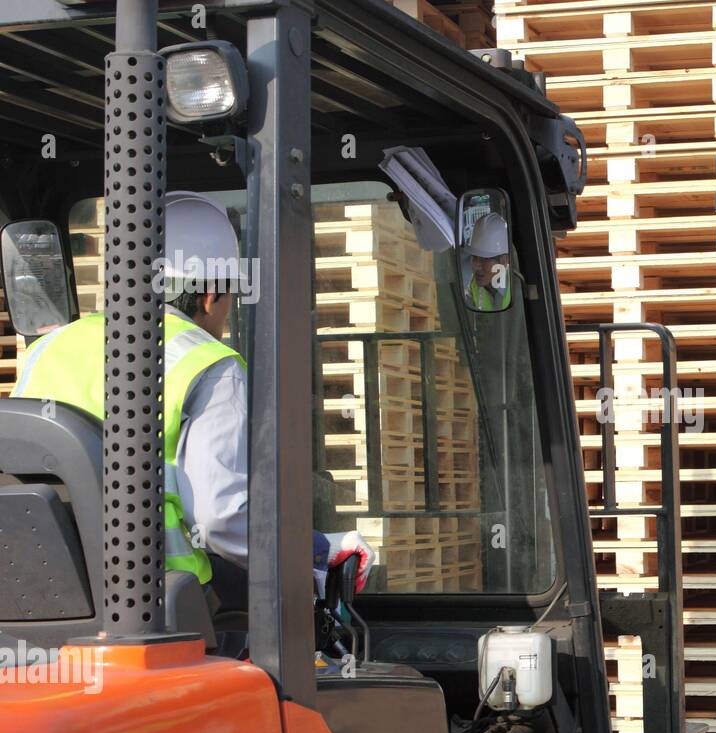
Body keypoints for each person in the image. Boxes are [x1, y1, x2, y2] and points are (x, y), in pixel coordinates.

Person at [13, 191, 375, 607]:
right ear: (210, 295)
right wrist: (318, 548)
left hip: (45, 600)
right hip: (161, 613)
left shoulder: (48, 348)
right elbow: (222, 519)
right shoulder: (209, 365)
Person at [463, 212, 512, 311]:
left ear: (503, 261)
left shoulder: (517, 290)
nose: (476, 266)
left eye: (485, 259)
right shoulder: (474, 287)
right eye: (474, 257)